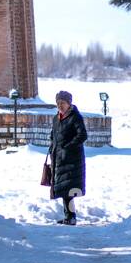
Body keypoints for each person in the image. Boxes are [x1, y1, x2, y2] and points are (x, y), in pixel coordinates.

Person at [48, 90, 88, 224]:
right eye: (58, 103)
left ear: (69, 103)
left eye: (63, 103)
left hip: (72, 160)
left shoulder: (75, 117)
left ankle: (71, 217)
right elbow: (54, 135)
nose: (60, 105)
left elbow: (82, 135)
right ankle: (69, 216)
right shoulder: (56, 118)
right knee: (63, 189)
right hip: (59, 159)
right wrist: (52, 147)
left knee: (68, 190)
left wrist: (68, 148)